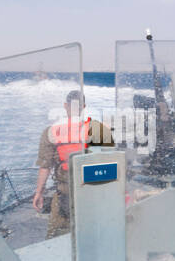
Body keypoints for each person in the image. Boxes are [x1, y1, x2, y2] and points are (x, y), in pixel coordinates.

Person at [32, 90, 114, 238]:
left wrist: (39, 192)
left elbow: (45, 166)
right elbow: (110, 161)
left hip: (64, 192)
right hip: (92, 192)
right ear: (83, 107)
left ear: (65, 106)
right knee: (96, 234)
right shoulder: (97, 129)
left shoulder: (51, 132)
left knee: (56, 235)